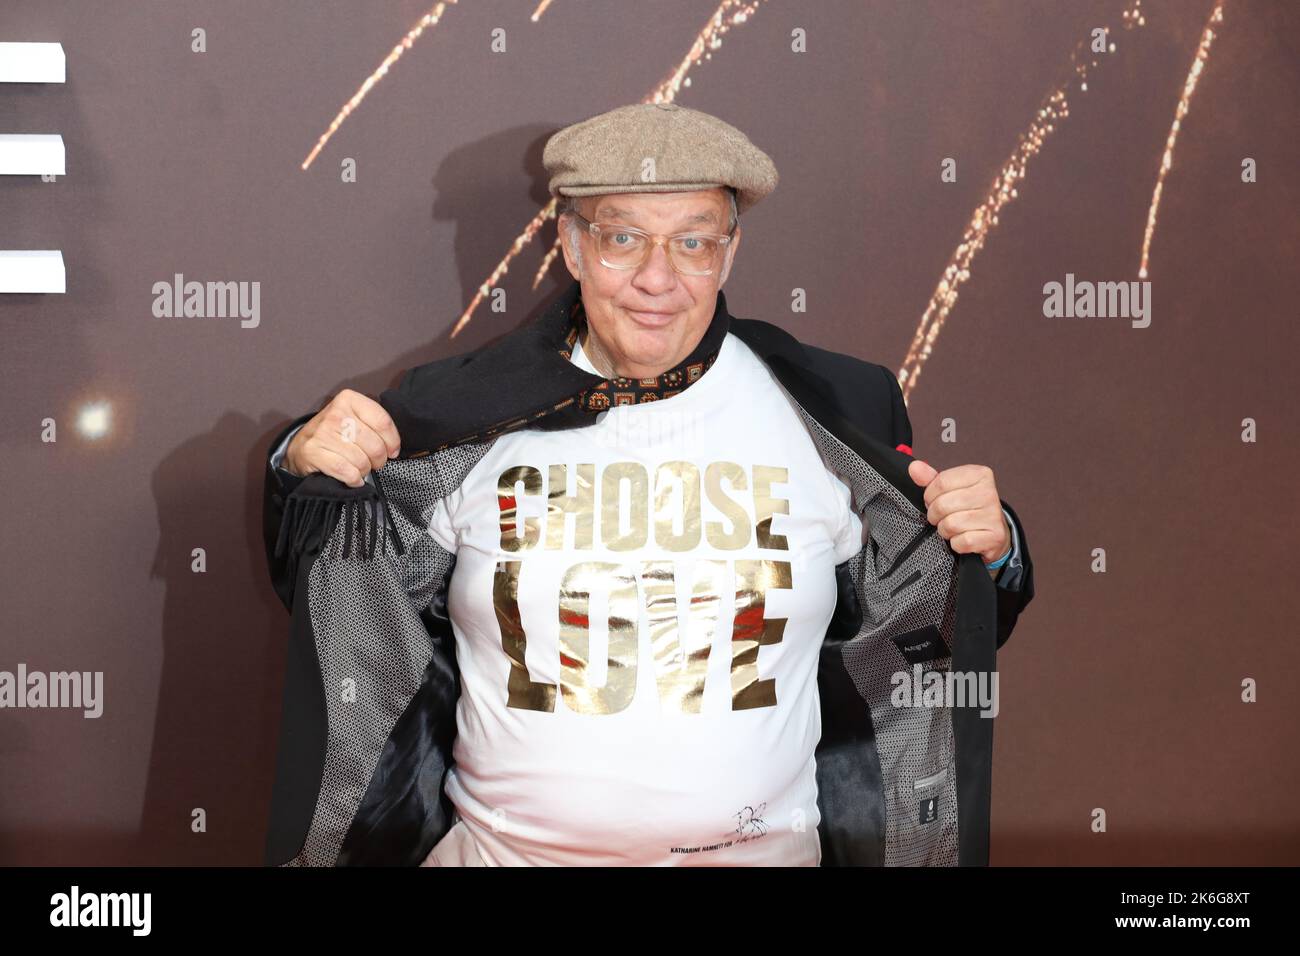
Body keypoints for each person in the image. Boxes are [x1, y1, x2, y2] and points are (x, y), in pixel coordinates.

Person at [262, 103, 1034, 867]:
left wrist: (990, 552)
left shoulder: (837, 410)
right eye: (622, 237)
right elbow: (333, 595)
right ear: (569, 242)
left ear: (728, 254)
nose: (656, 279)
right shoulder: (455, 411)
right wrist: (301, 461)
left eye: (693, 241)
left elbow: (931, 628)